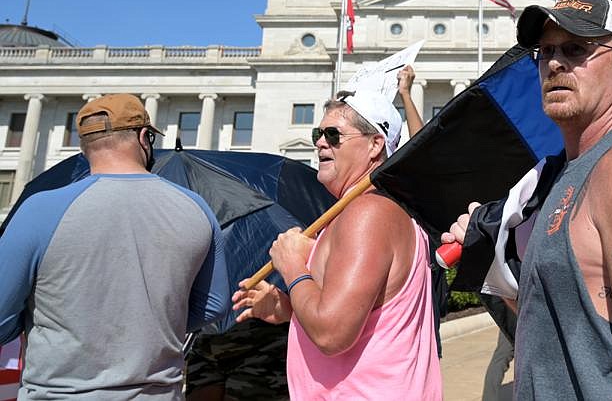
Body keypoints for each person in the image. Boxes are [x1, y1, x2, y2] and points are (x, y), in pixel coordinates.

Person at [443, 0, 612, 400]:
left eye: (576, 49)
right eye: (546, 51)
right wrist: (488, 253)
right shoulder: (563, 173)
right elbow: (562, 326)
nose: (555, 63)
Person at [187, 66, 425, 401]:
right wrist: (286, 307)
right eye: (318, 133)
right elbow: (346, 313)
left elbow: (332, 334)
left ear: (375, 145)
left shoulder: (368, 213)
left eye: (334, 135)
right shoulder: (353, 214)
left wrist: (294, 267)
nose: (320, 143)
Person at [0, 93, 228, 399]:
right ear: (145, 137)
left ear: (84, 146)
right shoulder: (195, 207)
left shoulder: (38, 209)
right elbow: (214, 304)